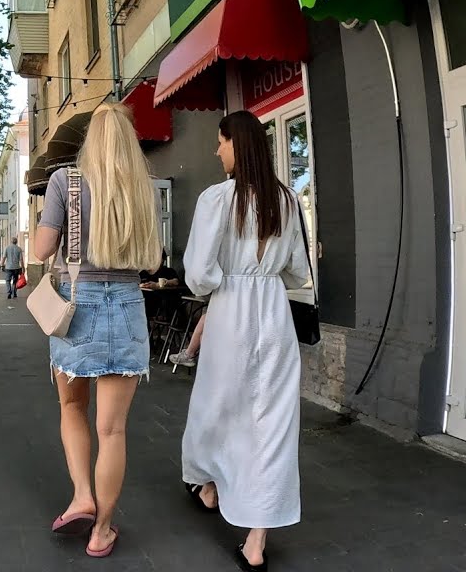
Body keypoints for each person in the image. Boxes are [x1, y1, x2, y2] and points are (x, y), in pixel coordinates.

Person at [180, 110, 310, 572]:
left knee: (219, 406)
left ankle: (210, 486)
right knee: (271, 422)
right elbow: (297, 270)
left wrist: (224, 280)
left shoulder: (218, 199)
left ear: (237, 143)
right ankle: (256, 540)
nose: (217, 151)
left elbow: (198, 274)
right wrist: (265, 272)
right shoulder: (288, 200)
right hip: (274, 315)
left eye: (221, 142)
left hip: (231, 310)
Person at [35, 102, 160, 559]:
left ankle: (81, 495)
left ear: (90, 141)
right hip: (127, 304)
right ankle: (102, 529)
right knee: (113, 431)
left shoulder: (63, 181)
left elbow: (42, 248)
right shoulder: (140, 188)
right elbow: (153, 261)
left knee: (72, 406)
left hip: (76, 303)